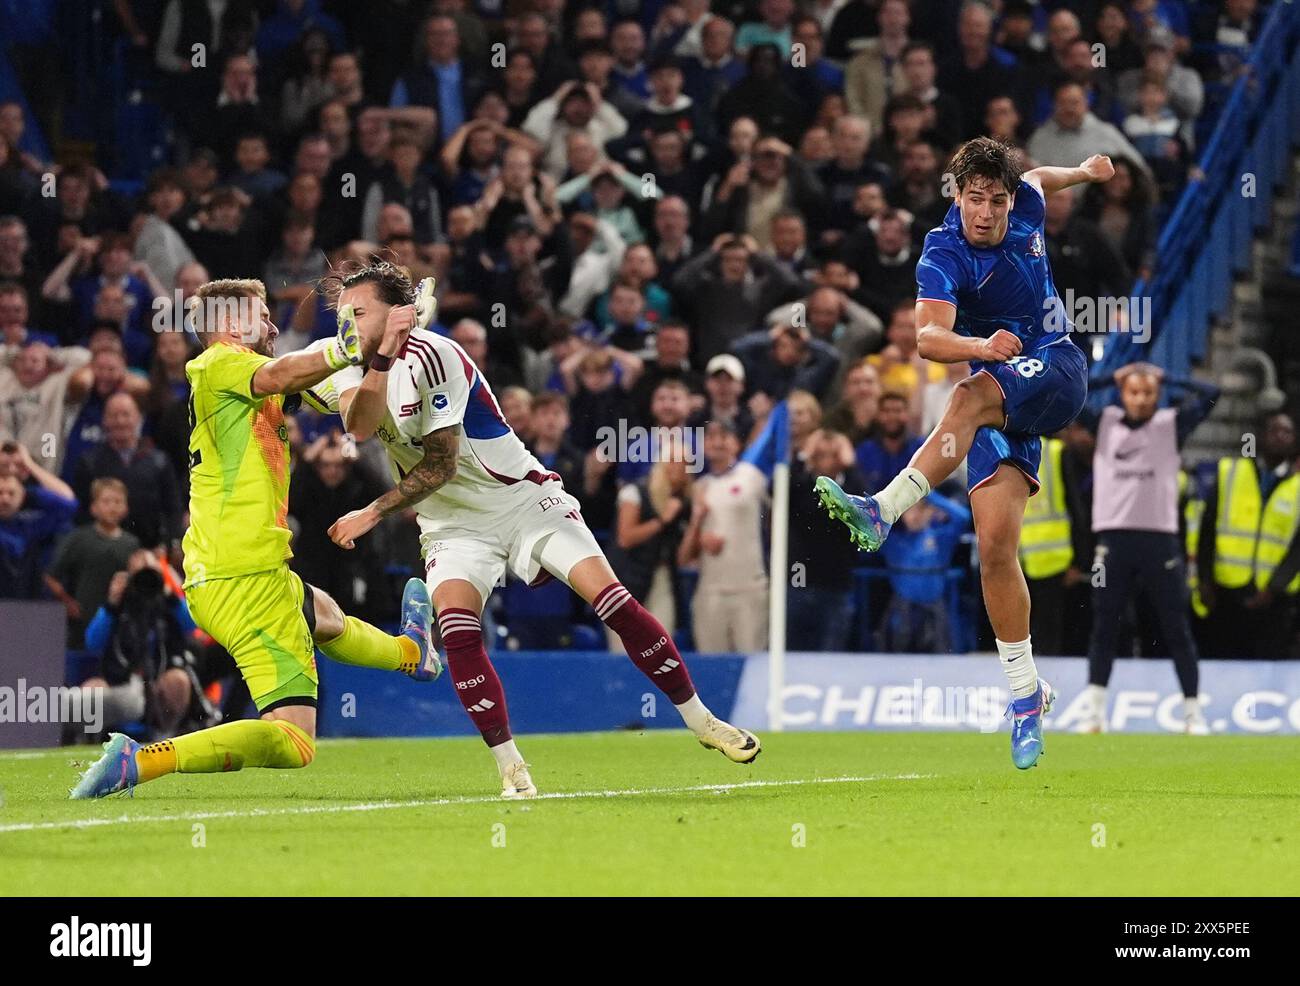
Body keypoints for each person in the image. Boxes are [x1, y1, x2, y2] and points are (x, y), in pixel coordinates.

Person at [322, 262, 760, 800]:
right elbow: (361, 425)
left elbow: (437, 464)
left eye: (358, 311)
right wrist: (380, 359)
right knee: (459, 634)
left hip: (526, 498)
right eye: (343, 312)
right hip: (452, 523)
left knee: (614, 604)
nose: (346, 321)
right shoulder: (345, 362)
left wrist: (371, 513)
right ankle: (513, 770)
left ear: (397, 313)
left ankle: (701, 720)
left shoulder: (442, 356)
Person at [70, 278, 441, 800]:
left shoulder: (257, 379)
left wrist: (380, 360)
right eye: (262, 316)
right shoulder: (218, 364)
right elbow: (286, 369)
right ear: (229, 326)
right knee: (295, 740)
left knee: (325, 616)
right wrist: (354, 345)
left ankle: (413, 653)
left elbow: (352, 416)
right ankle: (145, 759)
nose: (271, 325)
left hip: (242, 571)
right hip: (241, 577)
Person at [816, 137, 1111, 769]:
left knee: (970, 397)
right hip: (1002, 391)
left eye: (996, 201)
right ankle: (1027, 697)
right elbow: (925, 336)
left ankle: (882, 509)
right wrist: (980, 346)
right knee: (996, 553)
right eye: (974, 198)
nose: (985, 212)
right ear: (958, 194)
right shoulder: (942, 250)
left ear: (1009, 202)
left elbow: (1040, 175)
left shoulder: (1024, 202)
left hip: (1056, 369)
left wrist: (1085, 172)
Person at [1077, 362, 1219, 733]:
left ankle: (1192, 714)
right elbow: (1071, 392)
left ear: (1157, 395)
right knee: (1104, 625)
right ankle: (1093, 714)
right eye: (1133, 392)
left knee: (1176, 626)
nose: (1140, 399)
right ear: (1123, 394)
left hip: (1160, 539)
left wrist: (1167, 375)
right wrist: (1113, 376)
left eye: (1148, 393)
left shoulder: (1171, 425)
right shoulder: (1104, 423)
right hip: (1113, 538)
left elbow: (1212, 394)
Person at [679, 420, 770, 653]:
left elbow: (779, 515)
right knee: (712, 667)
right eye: (710, 436)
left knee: (751, 663)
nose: (717, 442)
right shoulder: (699, 487)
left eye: (724, 436)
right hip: (710, 591)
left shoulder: (753, 476)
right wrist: (701, 538)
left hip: (750, 589)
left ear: (737, 444)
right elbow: (685, 555)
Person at [44, 477, 140, 649]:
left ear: (126, 508)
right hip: (82, 622)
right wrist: (67, 602)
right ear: (93, 507)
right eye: (107, 501)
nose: (113, 507)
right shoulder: (78, 538)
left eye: (118, 502)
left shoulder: (132, 544)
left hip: (119, 623)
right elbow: (51, 576)